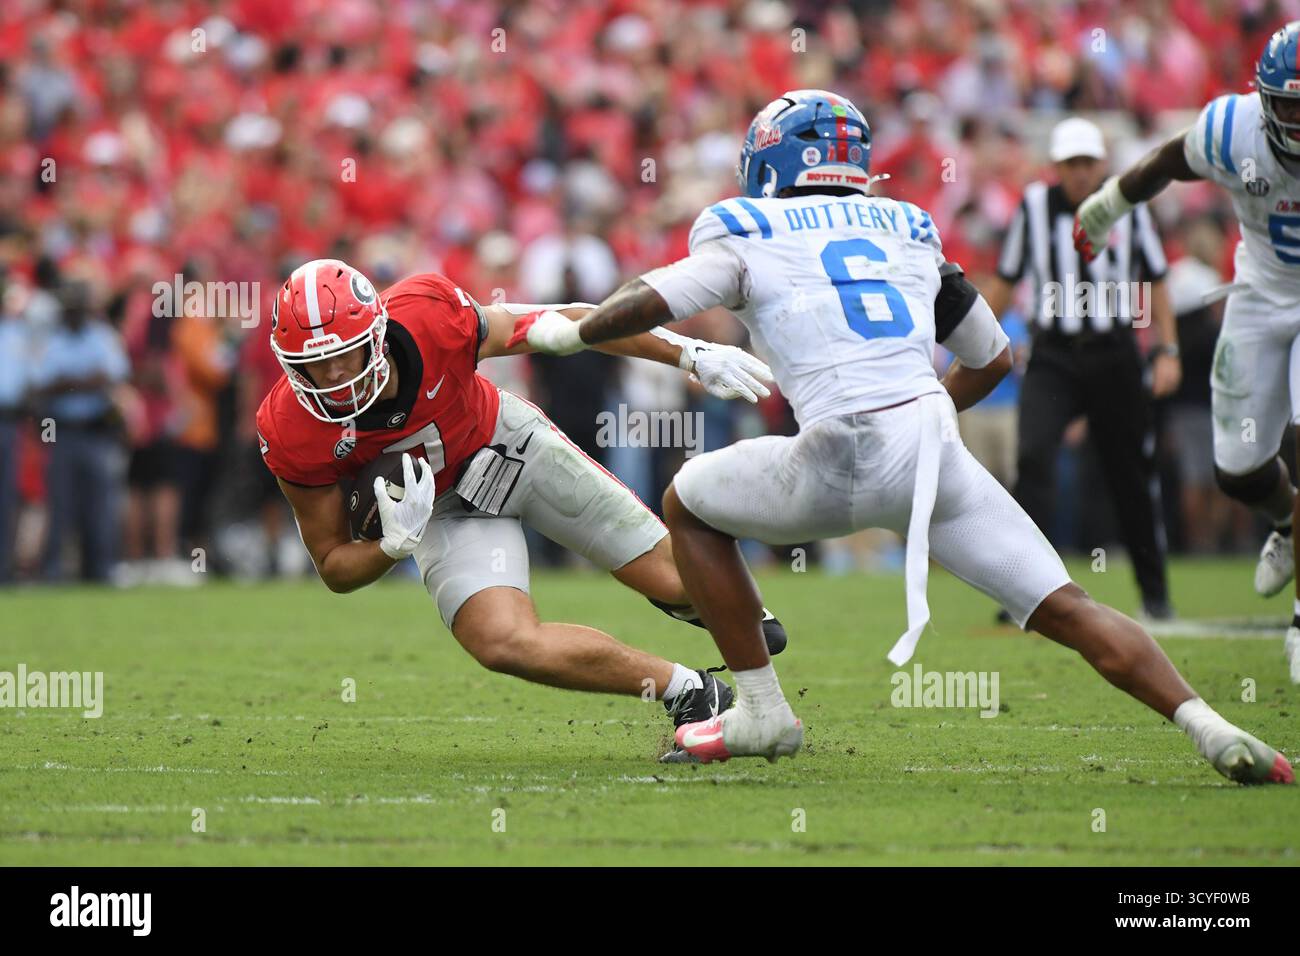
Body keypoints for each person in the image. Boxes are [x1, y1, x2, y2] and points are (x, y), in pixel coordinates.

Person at [516, 89, 1293, 784]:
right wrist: (926, 417)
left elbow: (642, 302)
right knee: (1069, 606)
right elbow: (994, 357)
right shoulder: (908, 228)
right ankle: (1212, 728)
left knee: (688, 502)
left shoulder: (745, 226)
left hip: (830, 455)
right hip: (930, 452)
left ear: (772, 161)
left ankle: (761, 710)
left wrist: (568, 334)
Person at [255, 260, 786, 759]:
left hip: (508, 446)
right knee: (502, 641)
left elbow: (562, 324)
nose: (332, 378)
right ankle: (690, 691)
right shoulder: (288, 427)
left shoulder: (429, 315)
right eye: (313, 366)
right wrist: (390, 546)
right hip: (439, 512)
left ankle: (728, 626)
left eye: (342, 355)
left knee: (682, 583)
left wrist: (686, 354)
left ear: (376, 331)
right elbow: (333, 566)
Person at [1074, 21, 1300, 680]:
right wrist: (1113, 200)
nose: (1296, 117)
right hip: (1258, 296)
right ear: (1264, 99)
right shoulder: (1233, 129)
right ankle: (1285, 521)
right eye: (1287, 103)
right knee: (1237, 470)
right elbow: (1169, 161)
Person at [984, 117, 1180, 621]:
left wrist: (1167, 350)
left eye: (1087, 163)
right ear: (1056, 167)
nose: (1078, 173)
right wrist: (976, 341)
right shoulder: (1032, 207)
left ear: (1101, 165)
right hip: (1052, 354)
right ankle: (1025, 590)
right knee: (1032, 461)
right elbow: (1006, 280)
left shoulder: (1129, 207)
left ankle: (1155, 593)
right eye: (1070, 163)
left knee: (1130, 471)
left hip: (1114, 352)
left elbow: (1156, 280)